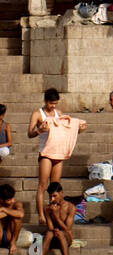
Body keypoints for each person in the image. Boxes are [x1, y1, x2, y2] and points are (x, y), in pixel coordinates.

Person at [28, 87, 86, 222]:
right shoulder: (38, 114)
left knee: (55, 186)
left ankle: (54, 214)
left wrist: (79, 130)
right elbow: (29, 133)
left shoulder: (58, 113)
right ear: (45, 101)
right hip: (46, 152)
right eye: (50, 103)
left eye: (55, 103)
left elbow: (66, 131)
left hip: (58, 152)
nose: (52, 106)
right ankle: (42, 215)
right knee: (42, 185)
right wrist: (40, 130)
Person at [32, 182, 73, 255]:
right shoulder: (47, 208)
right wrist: (50, 214)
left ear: (61, 193)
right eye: (50, 197)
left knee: (60, 233)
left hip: (66, 237)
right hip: (51, 238)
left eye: (55, 196)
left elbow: (67, 229)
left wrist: (55, 216)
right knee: (49, 233)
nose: (52, 199)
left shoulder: (70, 207)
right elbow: (50, 227)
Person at [0, 184, 24, 255]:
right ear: (1, 200)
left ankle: (12, 243)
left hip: (9, 236)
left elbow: (21, 214)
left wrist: (4, 210)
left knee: (17, 218)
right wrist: (11, 212)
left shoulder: (16, 204)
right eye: (9, 200)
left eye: (12, 198)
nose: (12, 200)